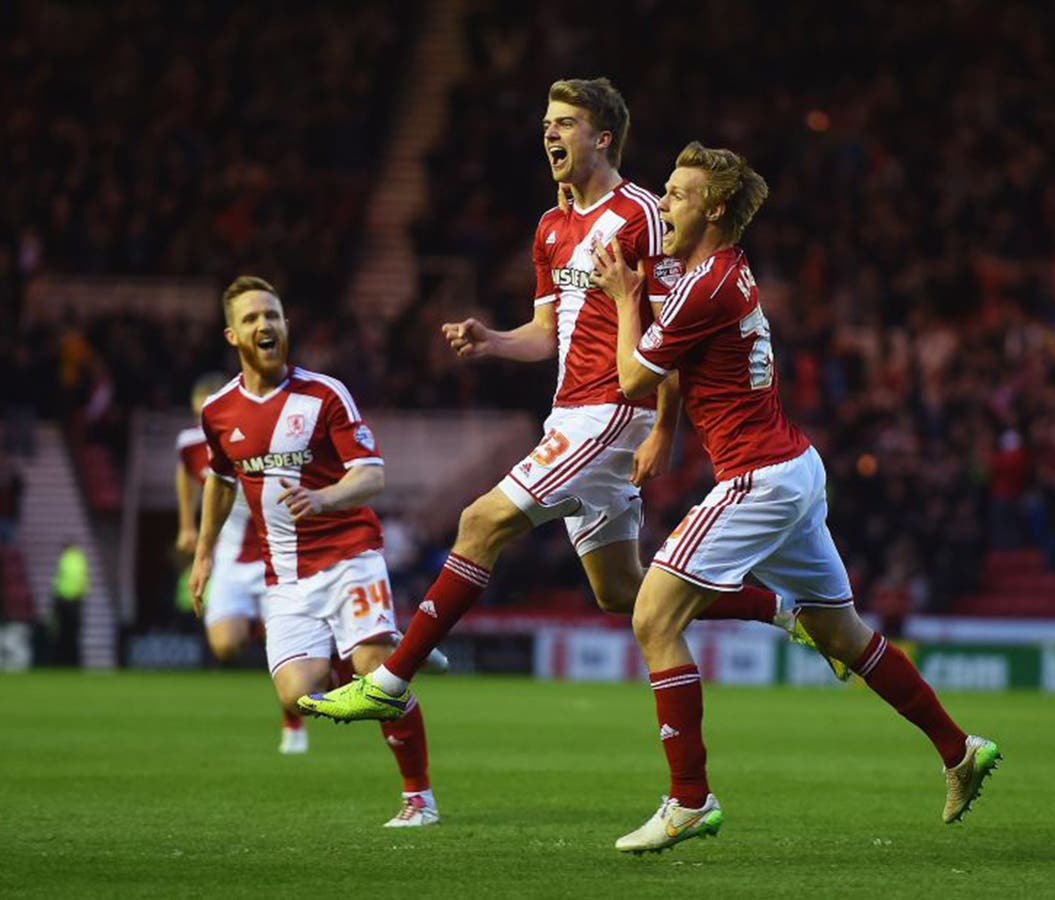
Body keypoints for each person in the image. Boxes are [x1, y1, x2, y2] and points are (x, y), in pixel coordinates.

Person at [298, 78, 809, 725]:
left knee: (480, 522)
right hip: (568, 412)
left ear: (602, 139)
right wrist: (491, 341)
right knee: (620, 589)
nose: (549, 133)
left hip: (611, 414)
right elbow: (544, 335)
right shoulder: (551, 227)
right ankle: (783, 610)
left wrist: (661, 431)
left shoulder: (643, 216)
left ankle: (391, 678)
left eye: (564, 123)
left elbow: (671, 328)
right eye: (547, 123)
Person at [588, 142, 1000, 853]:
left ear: (714, 209)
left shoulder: (705, 285)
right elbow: (676, 359)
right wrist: (664, 425)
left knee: (652, 614)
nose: (663, 203)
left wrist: (626, 299)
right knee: (844, 636)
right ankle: (959, 748)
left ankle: (690, 800)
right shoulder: (725, 272)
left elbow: (631, 378)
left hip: (759, 479)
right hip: (797, 469)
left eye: (678, 193)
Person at [190, 276, 444, 827]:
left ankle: (418, 797)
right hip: (284, 576)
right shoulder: (218, 411)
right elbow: (219, 479)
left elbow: (372, 475)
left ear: (286, 326)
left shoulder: (324, 394)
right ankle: (382, 649)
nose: (266, 326)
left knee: (377, 678)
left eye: (274, 316)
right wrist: (204, 553)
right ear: (232, 334)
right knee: (296, 696)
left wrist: (325, 497)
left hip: (351, 555)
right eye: (254, 318)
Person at [177, 373, 305, 752]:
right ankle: (267, 629)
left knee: (287, 666)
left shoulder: (258, 432)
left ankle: (292, 726)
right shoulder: (190, 445)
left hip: (273, 556)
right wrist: (187, 525)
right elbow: (185, 476)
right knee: (224, 645)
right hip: (230, 558)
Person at [51, 539, 88, 666]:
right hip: (76, 600)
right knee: (73, 634)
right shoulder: (80, 559)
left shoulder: (65, 558)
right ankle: (73, 661)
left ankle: (61, 661)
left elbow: (58, 580)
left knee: (63, 634)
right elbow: (83, 580)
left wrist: (55, 599)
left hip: (64, 599)